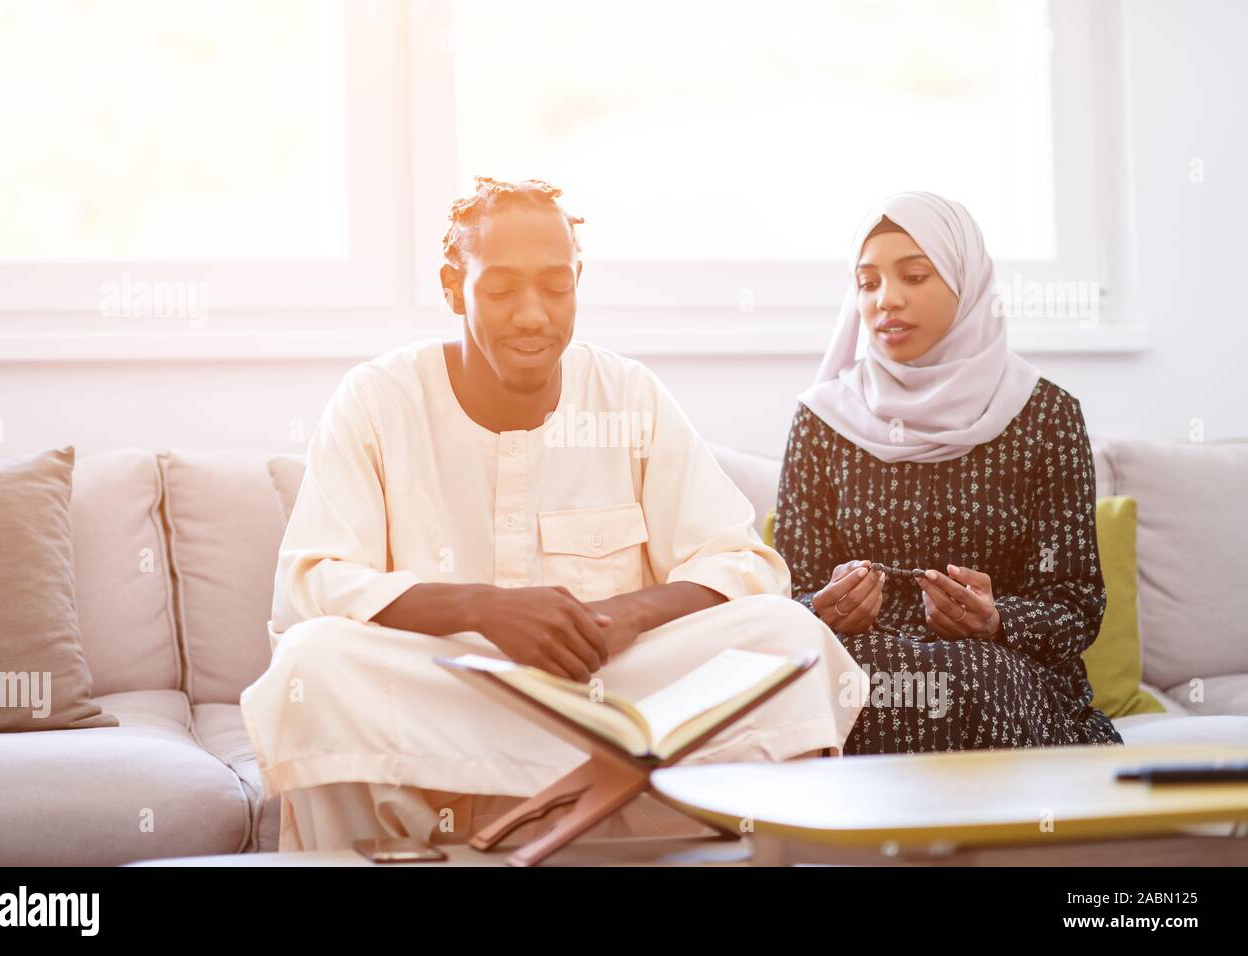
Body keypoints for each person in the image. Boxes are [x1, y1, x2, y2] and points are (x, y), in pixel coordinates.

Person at [240, 176, 867, 852]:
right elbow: (311, 583)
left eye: (556, 288)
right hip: (447, 690)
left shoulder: (629, 394)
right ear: (453, 285)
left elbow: (743, 563)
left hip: (609, 694)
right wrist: (480, 609)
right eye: (502, 290)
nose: (533, 315)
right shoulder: (377, 399)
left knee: (784, 632)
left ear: (578, 282)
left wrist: (633, 613)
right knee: (314, 660)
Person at [773, 190, 1122, 755]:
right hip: (860, 664)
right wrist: (826, 608)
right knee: (840, 692)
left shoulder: (1045, 415)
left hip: (1003, 671)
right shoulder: (823, 420)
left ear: (968, 283)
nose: (886, 300)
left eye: (914, 276)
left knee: (967, 685)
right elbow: (783, 597)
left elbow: (1076, 604)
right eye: (868, 283)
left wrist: (996, 619)